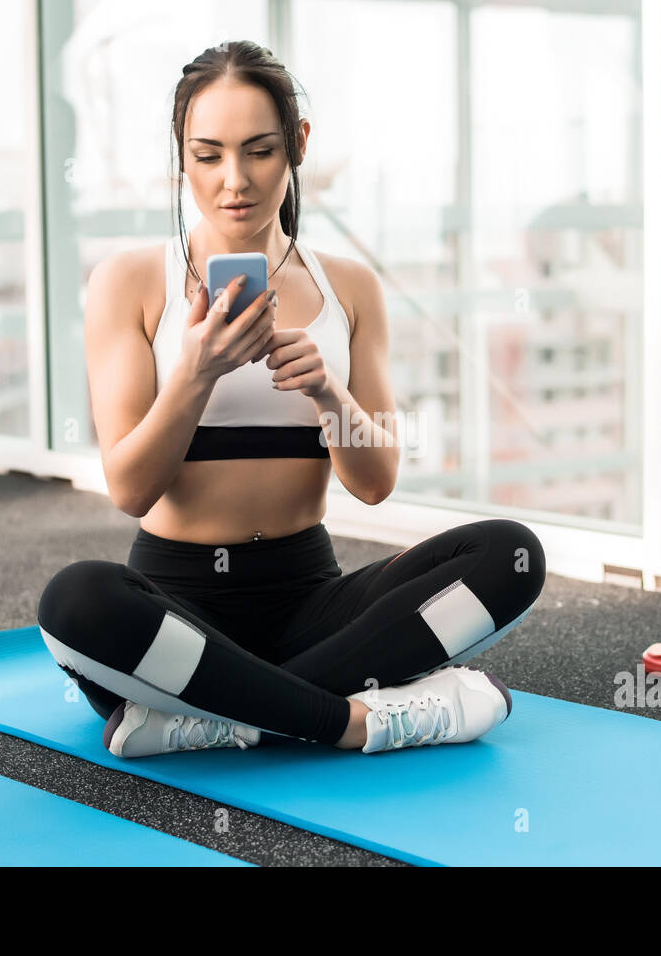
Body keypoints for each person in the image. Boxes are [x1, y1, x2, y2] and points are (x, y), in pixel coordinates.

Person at [36, 39, 545, 757]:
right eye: (208, 154)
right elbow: (129, 487)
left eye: (260, 151)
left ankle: (218, 712)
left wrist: (328, 392)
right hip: (176, 609)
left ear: (298, 145)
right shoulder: (128, 281)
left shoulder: (351, 288)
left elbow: (375, 484)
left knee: (509, 553)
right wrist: (196, 371)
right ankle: (351, 720)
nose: (233, 180)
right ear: (181, 155)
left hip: (311, 602)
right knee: (76, 602)